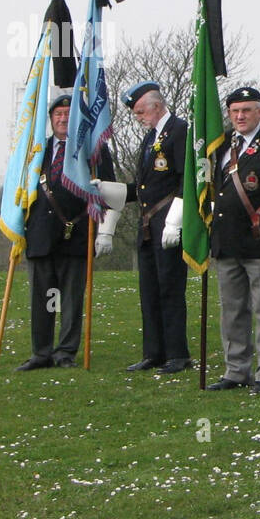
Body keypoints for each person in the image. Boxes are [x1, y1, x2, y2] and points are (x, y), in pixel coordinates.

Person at [176, 87, 260, 395]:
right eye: (235, 111)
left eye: (247, 110)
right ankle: (236, 369)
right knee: (232, 310)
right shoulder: (220, 146)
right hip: (226, 240)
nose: (240, 116)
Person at [94, 82, 191, 374]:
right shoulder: (150, 139)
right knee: (148, 290)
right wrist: (107, 190)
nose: (138, 118)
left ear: (156, 105)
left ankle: (177, 354)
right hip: (147, 225)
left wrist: (177, 220)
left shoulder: (179, 131)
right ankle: (154, 352)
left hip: (169, 224)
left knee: (170, 289)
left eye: (140, 112)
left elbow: (187, 179)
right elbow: (144, 188)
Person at [17, 92, 117, 370]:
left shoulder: (92, 150)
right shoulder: (37, 150)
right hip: (41, 234)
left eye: (67, 115)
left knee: (71, 299)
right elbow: (21, 189)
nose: (62, 119)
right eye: (57, 115)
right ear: (50, 120)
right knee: (45, 298)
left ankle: (65, 352)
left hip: (77, 233)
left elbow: (110, 191)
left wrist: (104, 231)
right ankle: (42, 351)